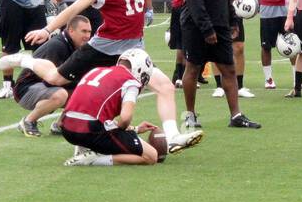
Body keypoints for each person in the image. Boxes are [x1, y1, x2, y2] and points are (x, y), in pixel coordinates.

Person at [0, 0, 213, 147]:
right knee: (56, 78)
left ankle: (173, 136)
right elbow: (74, 9)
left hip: (133, 50)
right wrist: (47, 30)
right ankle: (25, 60)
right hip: (103, 47)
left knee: (165, 86)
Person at [181, 0, 261, 128]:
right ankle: (190, 115)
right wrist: (206, 28)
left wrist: (233, 19)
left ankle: (236, 116)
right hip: (197, 27)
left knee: (229, 69)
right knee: (193, 69)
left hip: (221, 25)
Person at [60, 51, 203, 167]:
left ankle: (87, 147)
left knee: (102, 129)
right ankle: (94, 159)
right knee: (151, 156)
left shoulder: (97, 71)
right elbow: (125, 118)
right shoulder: (130, 81)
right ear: (141, 69)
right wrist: (126, 130)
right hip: (90, 129)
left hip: (66, 127)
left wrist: (134, 130)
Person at [11, 15, 92, 137]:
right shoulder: (57, 46)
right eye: (84, 31)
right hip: (25, 89)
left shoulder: (77, 46)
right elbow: (51, 81)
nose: (87, 36)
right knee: (61, 95)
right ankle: (28, 121)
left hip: (44, 86)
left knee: (87, 92)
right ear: (71, 30)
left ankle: (61, 125)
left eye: (89, 32)